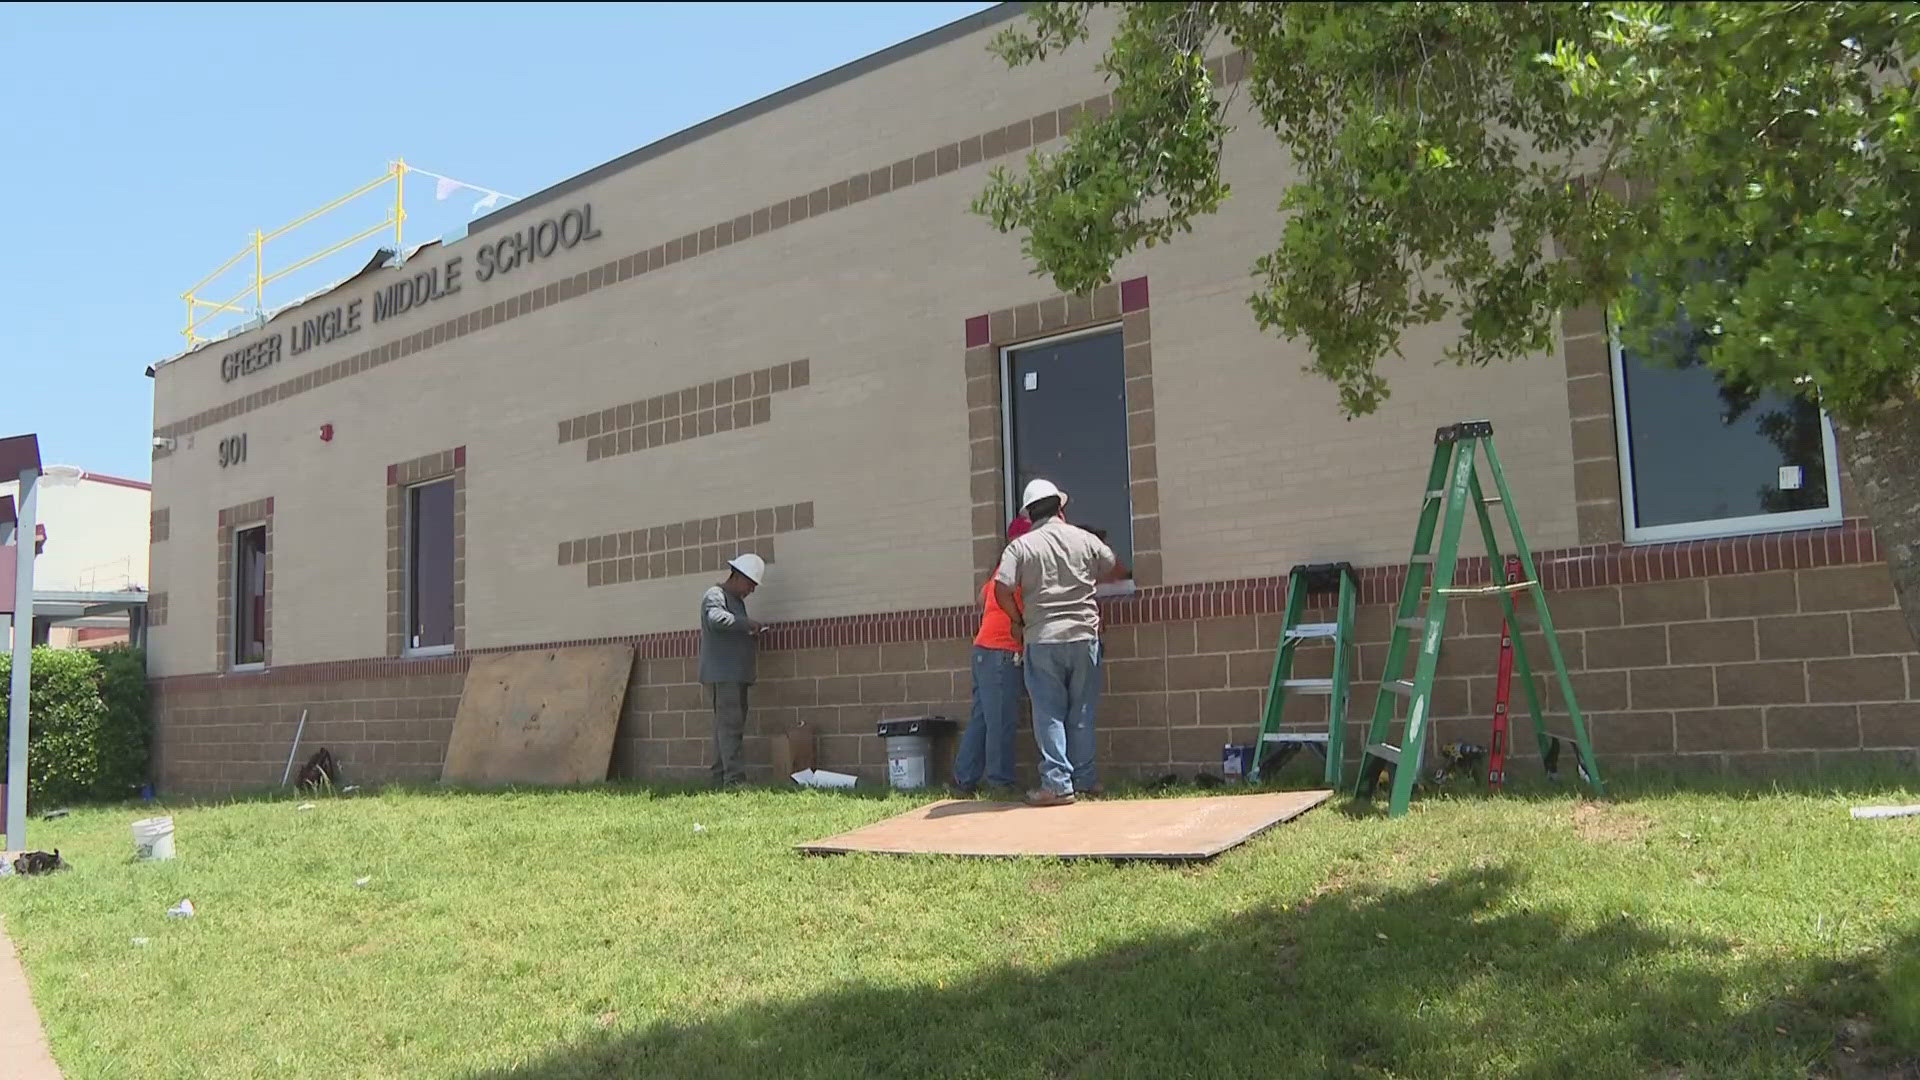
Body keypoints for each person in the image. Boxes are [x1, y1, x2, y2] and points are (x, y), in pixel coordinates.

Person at [994, 480, 1128, 806]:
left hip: (1042, 639)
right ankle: (1084, 780)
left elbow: (1001, 587)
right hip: (1085, 636)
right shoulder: (1084, 539)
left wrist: (1017, 620)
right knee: (1081, 711)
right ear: (1060, 508)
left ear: (1028, 515)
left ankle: (1056, 784)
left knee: (1048, 713)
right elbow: (1115, 568)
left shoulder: (1020, 547)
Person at [951, 514, 1031, 796]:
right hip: (1001, 653)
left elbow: (983, 597)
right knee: (1001, 721)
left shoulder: (1000, 570)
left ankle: (965, 778)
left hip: (983, 651)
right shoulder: (1021, 569)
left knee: (983, 718)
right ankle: (1000, 781)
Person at [699, 553, 765, 787]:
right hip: (723, 676)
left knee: (724, 730)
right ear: (737, 576)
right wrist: (746, 624)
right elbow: (716, 619)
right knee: (730, 729)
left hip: (735, 675)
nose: (752, 590)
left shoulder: (737, 601)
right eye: (750, 584)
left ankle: (720, 778)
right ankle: (734, 780)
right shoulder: (715, 596)